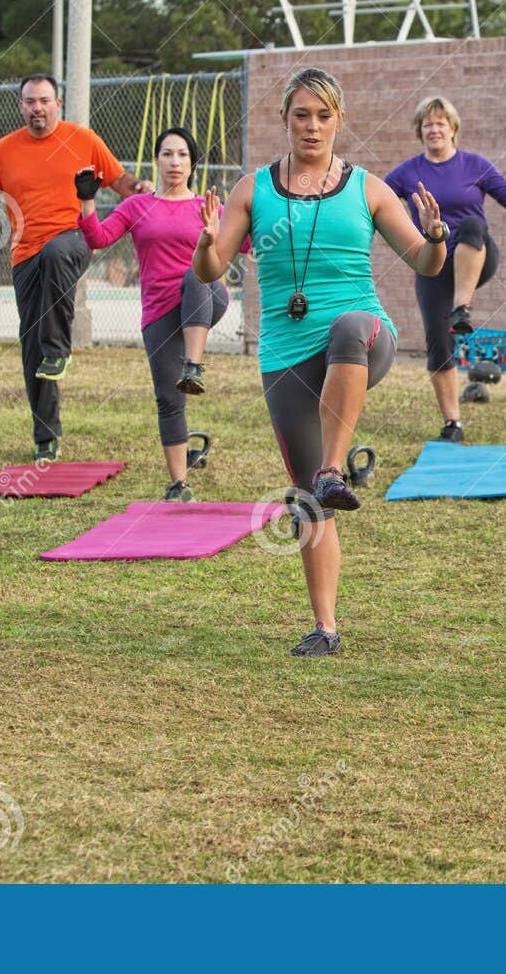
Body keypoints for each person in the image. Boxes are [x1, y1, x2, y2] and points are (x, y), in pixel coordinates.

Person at [193, 68, 446, 657]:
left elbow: (426, 264)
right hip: (284, 355)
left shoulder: (369, 188)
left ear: (339, 120)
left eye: (323, 115)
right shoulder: (252, 190)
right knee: (306, 497)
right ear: (285, 119)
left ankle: (337, 468)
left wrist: (435, 238)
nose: (312, 126)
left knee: (348, 327)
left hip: (362, 339)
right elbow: (210, 272)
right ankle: (325, 628)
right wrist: (207, 244)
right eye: (301, 114)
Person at [0, 74, 151, 460]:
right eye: (29, 101)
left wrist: (140, 187)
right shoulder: (5, 150)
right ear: (21, 106)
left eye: (44, 100)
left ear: (58, 103)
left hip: (73, 240)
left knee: (57, 255)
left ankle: (59, 347)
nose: (37, 107)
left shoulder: (83, 139)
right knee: (31, 345)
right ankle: (45, 437)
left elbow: (119, 180)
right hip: (25, 255)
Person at [77, 126, 245, 501]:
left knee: (196, 275)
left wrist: (265, 214)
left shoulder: (208, 206)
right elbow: (98, 239)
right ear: (156, 160)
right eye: (167, 154)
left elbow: (248, 241)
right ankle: (179, 484)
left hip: (206, 297)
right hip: (159, 313)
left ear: (192, 163)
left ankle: (195, 365)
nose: (175, 162)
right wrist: (87, 201)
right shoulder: (137, 206)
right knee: (169, 399)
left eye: (183, 154)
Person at [384, 96, 506, 442]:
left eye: (440, 123)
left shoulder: (475, 165)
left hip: (476, 255)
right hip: (433, 264)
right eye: (427, 124)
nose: (434, 129)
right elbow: (377, 199)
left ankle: (462, 308)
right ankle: (453, 423)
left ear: (453, 129)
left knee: (471, 224)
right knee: (438, 342)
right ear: (420, 132)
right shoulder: (409, 172)